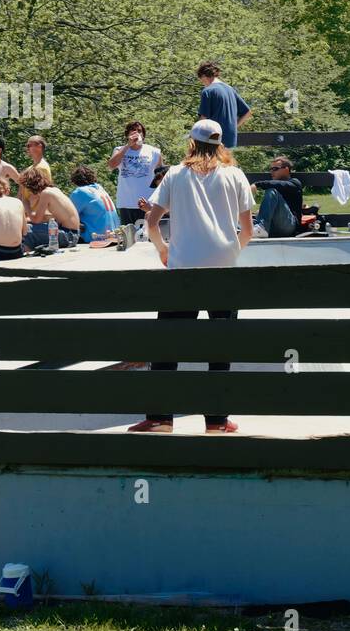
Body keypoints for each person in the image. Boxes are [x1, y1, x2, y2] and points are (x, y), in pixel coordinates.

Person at [128, 119, 255, 435]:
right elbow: (248, 231)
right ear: (220, 145)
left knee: (167, 345)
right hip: (224, 272)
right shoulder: (236, 175)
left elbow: (152, 221)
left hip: (183, 270)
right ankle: (217, 420)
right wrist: (230, 252)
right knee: (220, 347)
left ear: (191, 144)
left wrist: (163, 251)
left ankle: (160, 418)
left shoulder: (175, 174)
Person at [107, 121, 161, 226]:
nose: (137, 133)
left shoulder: (154, 152)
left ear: (143, 135)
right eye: (133, 131)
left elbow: (161, 176)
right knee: (129, 237)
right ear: (127, 135)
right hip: (126, 202)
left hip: (148, 203)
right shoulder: (119, 150)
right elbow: (111, 165)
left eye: (139, 131)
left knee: (148, 236)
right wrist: (128, 146)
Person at [19, 169, 82, 249]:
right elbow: (46, 217)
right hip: (73, 234)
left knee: (27, 229)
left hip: (68, 236)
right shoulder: (54, 190)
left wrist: (26, 204)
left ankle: (22, 250)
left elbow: (36, 220)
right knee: (29, 227)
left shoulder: (46, 194)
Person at [196, 61, 252, 149]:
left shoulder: (208, 91)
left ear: (203, 76)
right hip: (230, 140)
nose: (203, 84)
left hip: (213, 141)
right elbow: (247, 112)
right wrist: (233, 127)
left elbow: (203, 119)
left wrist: (195, 137)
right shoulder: (230, 89)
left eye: (201, 81)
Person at [252, 156, 302, 238]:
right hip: (272, 227)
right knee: (245, 221)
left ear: (286, 169)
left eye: (275, 169)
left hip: (289, 227)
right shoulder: (276, 184)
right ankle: (258, 228)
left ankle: (261, 227)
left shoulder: (295, 183)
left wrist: (257, 184)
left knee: (271, 190)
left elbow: (280, 184)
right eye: (270, 169)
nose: (271, 172)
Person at [68, 165, 120, 243]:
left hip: (96, 237)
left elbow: (66, 215)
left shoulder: (80, 192)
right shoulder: (100, 188)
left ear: (74, 180)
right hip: (114, 235)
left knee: (62, 224)